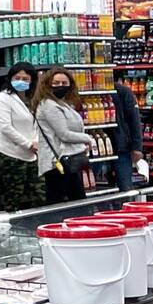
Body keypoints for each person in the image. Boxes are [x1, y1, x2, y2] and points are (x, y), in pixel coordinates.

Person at [33, 67, 93, 204]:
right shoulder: (49, 106)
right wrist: (87, 139)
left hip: (66, 161)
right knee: (67, 204)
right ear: (47, 84)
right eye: (56, 83)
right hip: (57, 163)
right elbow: (64, 134)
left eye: (64, 83)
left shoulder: (63, 104)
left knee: (75, 203)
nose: (61, 86)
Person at [0, 62, 47, 211]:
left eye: (25, 79)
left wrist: (36, 142)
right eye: (17, 78)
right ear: (10, 78)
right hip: (10, 155)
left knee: (39, 196)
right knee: (13, 198)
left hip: (32, 156)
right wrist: (28, 144)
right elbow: (5, 128)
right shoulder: (3, 98)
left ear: (32, 80)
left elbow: (37, 123)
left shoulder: (33, 99)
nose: (21, 82)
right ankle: (12, 230)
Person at [111, 70, 145, 192]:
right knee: (92, 187)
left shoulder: (123, 92)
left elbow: (134, 120)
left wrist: (137, 147)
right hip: (98, 148)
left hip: (121, 147)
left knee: (125, 188)